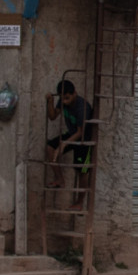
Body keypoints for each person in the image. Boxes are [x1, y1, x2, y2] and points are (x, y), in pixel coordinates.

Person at [45, 80, 94, 210]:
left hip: (84, 139)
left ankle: (79, 202)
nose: (64, 101)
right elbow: (52, 116)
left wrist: (64, 144)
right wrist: (50, 102)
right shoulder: (62, 100)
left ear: (74, 94)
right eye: (62, 98)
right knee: (50, 147)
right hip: (72, 134)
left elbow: (80, 132)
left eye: (67, 98)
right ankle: (59, 179)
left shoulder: (82, 107)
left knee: (82, 171)